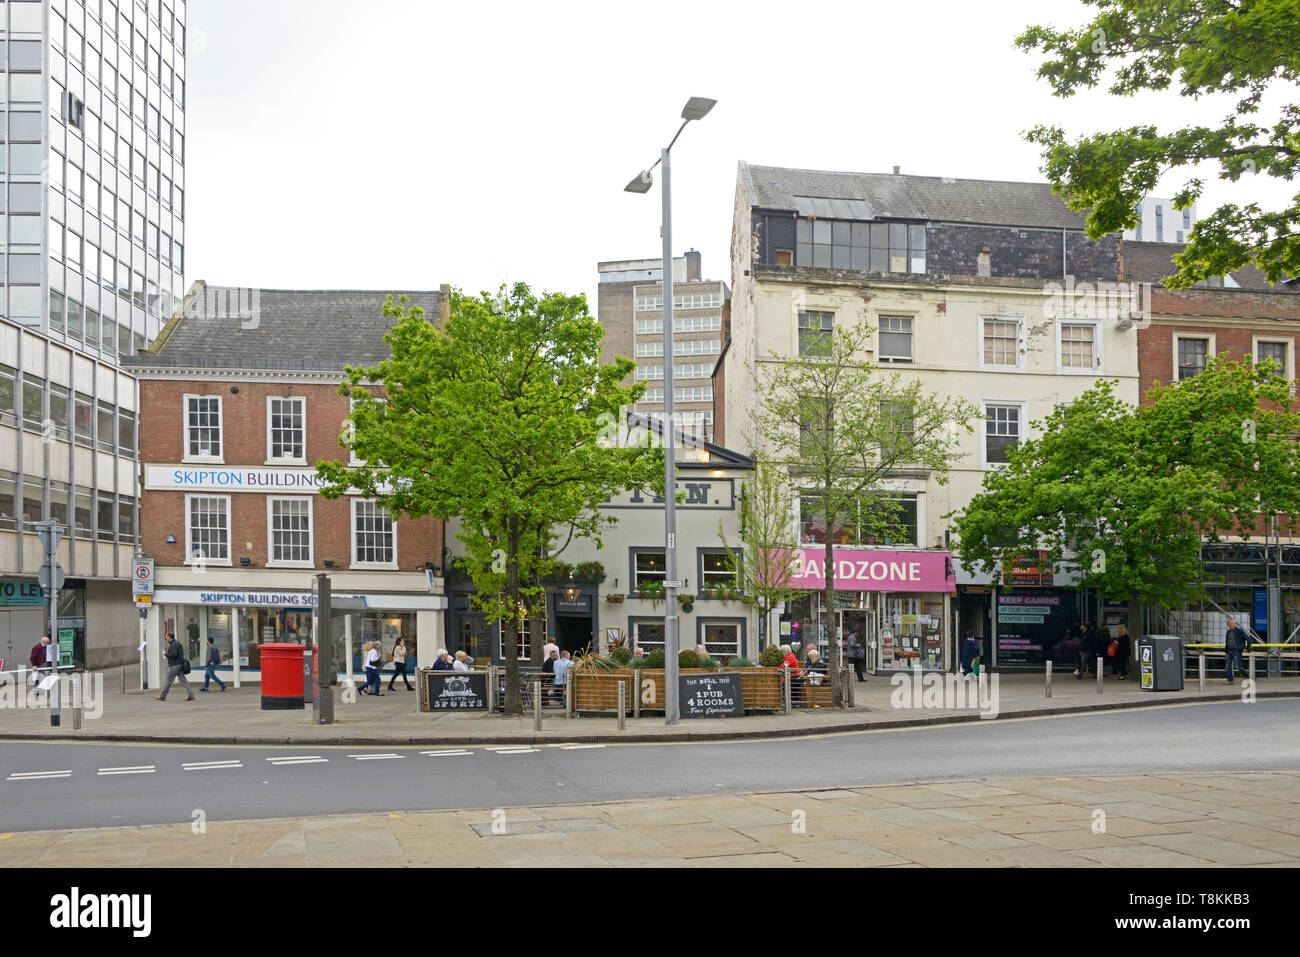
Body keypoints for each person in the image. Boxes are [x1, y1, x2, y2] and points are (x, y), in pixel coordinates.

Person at [155, 630, 195, 701]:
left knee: (168, 680)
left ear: (169, 637)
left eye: (166, 636)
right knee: (183, 680)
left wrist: (165, 654)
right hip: (180, 664)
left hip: (174, 665)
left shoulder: (173, 645)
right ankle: (191, 695)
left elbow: (174, 654)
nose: (166, 638)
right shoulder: (178, 643)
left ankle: (162, 696)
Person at [1224, 617, 1249, 685]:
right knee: (1228, 666)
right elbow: (1227, 641)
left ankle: (1247, 675)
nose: (1229, 625)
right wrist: (1226, 649)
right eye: (1228, 624)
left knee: (1238, 666)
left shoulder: (1239, 631)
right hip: (1229, 650)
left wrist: (1247, 648)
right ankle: (1230, 680)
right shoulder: (1228, 632)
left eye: (1231, 624)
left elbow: (1248, 638)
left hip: (1236, 651)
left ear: (1234, 624)